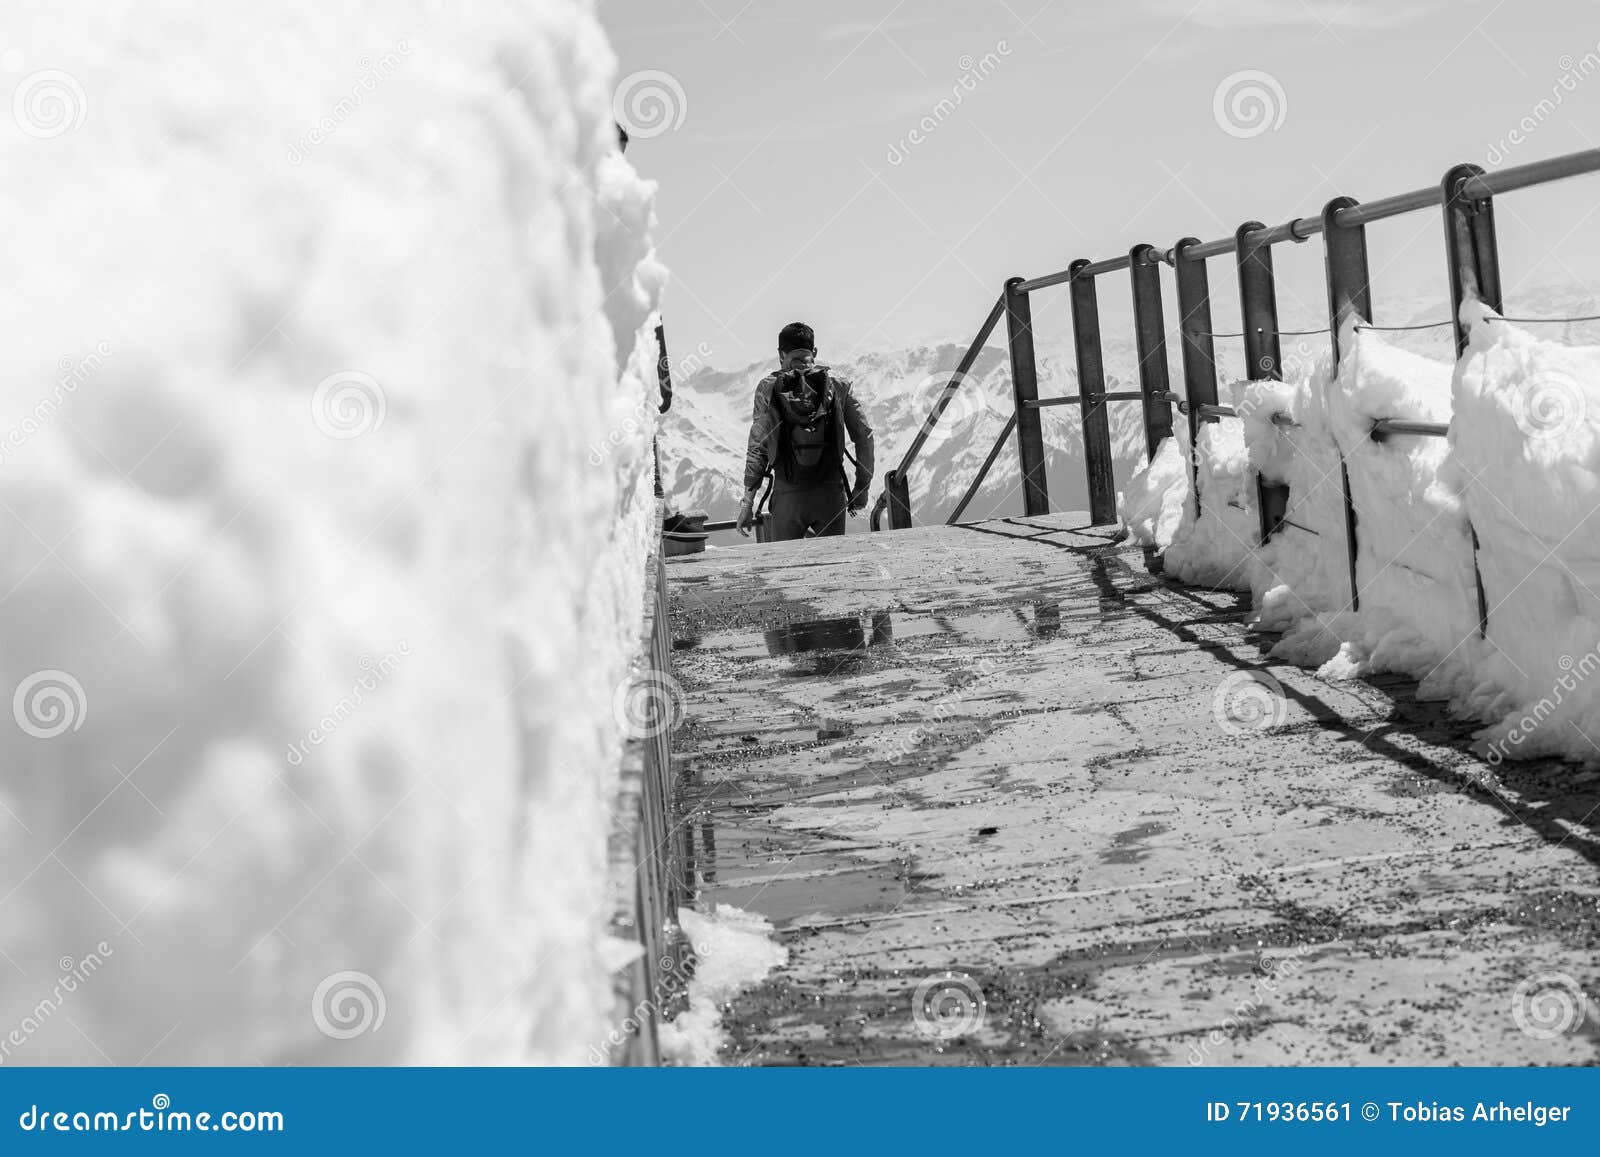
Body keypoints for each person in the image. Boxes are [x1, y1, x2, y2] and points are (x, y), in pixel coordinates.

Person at [736, 322, 874, 541]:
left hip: (788, 496)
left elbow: (757, 449)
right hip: (830, 494)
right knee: (832, 565)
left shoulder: (768, 387)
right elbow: (864, 436)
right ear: (815, 352)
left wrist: (748, 504)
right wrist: (862, 487)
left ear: (781, 354)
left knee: (785, 569)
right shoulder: (838, 384)